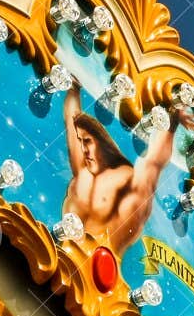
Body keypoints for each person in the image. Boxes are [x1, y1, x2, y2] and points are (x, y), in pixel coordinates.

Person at [62, 83, 176, 256]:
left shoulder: (127, 180)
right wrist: (74, 86)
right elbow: (71, 122)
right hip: (59, 250)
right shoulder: (83, 173)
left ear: (101, 142)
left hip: (96, 271)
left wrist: (173, 119)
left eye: (88, 141)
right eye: (81, 141)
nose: (83, 148)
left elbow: (153, 163)